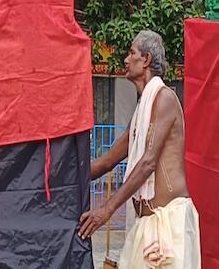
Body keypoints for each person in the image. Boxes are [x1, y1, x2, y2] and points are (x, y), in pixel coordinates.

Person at [78, 31, 199, 268]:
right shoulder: (141, 112)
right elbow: (107, 161)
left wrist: (107, 209)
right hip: (146, 224)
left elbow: (148, 162)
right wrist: (65, 178)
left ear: (145, 59)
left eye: (131, 53)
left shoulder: (164, 98)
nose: (125, 59)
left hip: (169, 223)